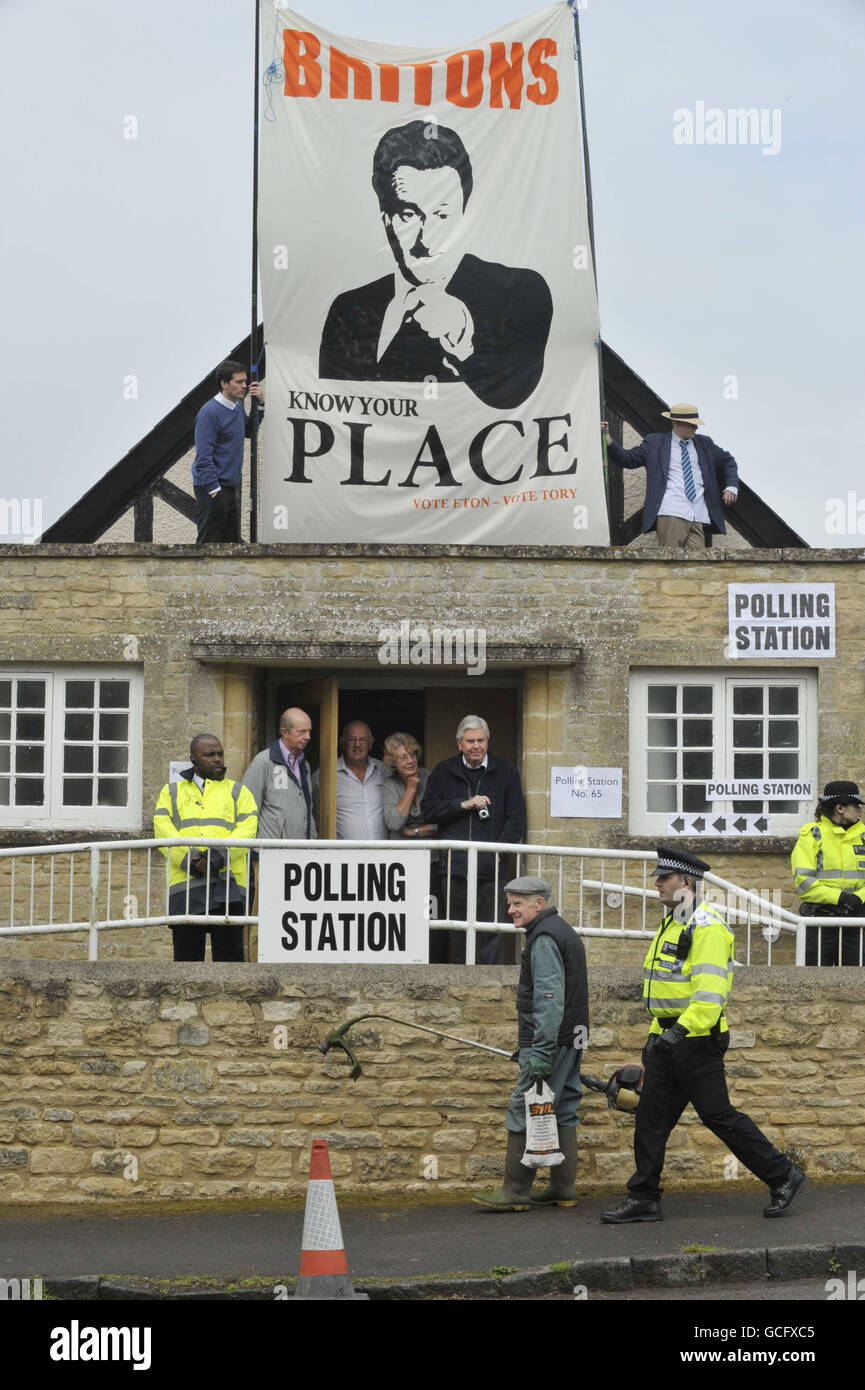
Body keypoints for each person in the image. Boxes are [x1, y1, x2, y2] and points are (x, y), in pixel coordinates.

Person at [601, 846, 807, 1224]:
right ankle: (644, 1197)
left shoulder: (707, 927)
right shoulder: (673, 922)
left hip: (695, 1040)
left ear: (686, 882)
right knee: (651, 1119)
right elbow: (663, 992)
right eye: (658, 878)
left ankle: (784, 1175)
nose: (657, 884)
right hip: (667, 1040)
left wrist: (678, 1032)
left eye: (664, 878)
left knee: (718, 1116)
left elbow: (710, 996)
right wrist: (656, 1035)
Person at [319, 121, 552, 410]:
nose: (426, 240)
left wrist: (464, 345)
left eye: (442, 215)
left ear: (465, 216)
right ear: (386, 221)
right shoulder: (348, 312)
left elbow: (516, 396)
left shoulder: (519, 293)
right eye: (409, 215)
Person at [474, 877, 588, 1211]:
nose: (510, 910)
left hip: (553, 1041)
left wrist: (539, 1050)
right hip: (573, 1037)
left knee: (525, 1107)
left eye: (518, 903)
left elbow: (549, 999)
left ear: (539, 904)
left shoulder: (544, 938)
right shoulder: (561, 930)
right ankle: (563, 1188)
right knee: (564, 1105)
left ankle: (515, 1192)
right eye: (510, 903)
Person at [421, 715, 526, 964]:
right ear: (459, 743)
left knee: (491, 930)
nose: (475, 746)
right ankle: (459, 984)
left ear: (487, 741)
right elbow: (429, 811)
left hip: (492, 868)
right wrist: (463, 805)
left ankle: (492, 983)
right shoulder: (443, 771)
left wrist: (499, 854)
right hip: (455, 867)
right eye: (470, 741)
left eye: (480, 740)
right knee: (457, 930)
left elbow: (516, 818)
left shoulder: (506, 771)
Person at [153, 734, 258, 962]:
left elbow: (248, 828)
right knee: (186, 963)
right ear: (193, 759)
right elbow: (162, 830)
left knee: (230, 963)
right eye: (210, 755)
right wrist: (191, 860)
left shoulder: (238, 792)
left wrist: (215, 858)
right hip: (186, 887)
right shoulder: (171, 792)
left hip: (228, 887)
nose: (217, 759)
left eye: (220, 754)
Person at [603, 403, 738, 549]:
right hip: (671, 511)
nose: (696, 428)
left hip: (698, 514)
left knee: (697, 567)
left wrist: (731, 487)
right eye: (692, 424)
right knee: (670, 564)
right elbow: (627, 459)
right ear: (677, 422)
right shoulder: (655, 443)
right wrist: (608, 439)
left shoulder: (705, 443)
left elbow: (728, 461)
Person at [791, 780, 865, 965]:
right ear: (840, 808)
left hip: (857, 922)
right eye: (855, 806)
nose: (859, 810)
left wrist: (858, 898)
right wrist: (841, 898)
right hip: (820, 922)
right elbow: (804, 883)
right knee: (813, 983)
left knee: (857, 985)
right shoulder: (812, 835)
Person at [192, 360, 264, 543]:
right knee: (209, 544)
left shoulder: (238, 405)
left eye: (245, 381)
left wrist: (261, 404)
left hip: (230, 487)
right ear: (224, 383)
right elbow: (203, 457)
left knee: (230, 543)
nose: (244, 386)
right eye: (238, 382)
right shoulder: (209, 413)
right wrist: (214, 489)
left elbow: (248, 431)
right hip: (212, 487)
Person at [240, 708, 316, 841]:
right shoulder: (263, 762)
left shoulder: (305, 765)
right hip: (270, 852)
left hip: (301, 854)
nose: (308, 737)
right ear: (284, 732)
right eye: (302, 732)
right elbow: (247, 809)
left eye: (309, 731)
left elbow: (307, 811)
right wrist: (253, 853)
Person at [313, 721, 388, 841]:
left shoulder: (384, 771)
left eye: (362, 739)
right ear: (342, 743)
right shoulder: (325, 775)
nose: (357, 744)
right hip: (343, 857)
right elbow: (316, 819)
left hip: (385, 856)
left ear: (370, 743)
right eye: (352, 739)